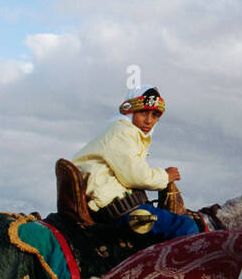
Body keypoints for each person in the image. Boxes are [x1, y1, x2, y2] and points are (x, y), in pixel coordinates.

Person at [72, 88, 199, 239]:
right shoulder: (123, 131)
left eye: (155, 115)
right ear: (130, 111)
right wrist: (166, 176)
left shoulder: (123, 132)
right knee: (185, 225)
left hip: (114, 205)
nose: (149, 120)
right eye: (143, 112)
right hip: (119, 211)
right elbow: (137, 177)